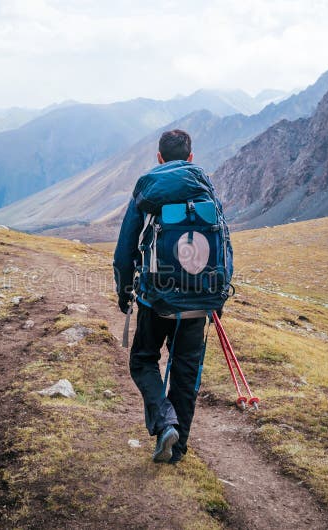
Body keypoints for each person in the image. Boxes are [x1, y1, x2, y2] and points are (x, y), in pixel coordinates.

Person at [113, 129, 233, 464]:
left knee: (142, 360)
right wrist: (216, 300)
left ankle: (165, 422)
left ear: (159, 158)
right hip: (199, 300)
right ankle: (177, 451)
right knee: (185, 372)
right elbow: (225, 245)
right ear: (191, 157)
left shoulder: (148, 188)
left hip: (157, 299)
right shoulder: (205, 188)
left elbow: (125, 248)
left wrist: (124, 292)